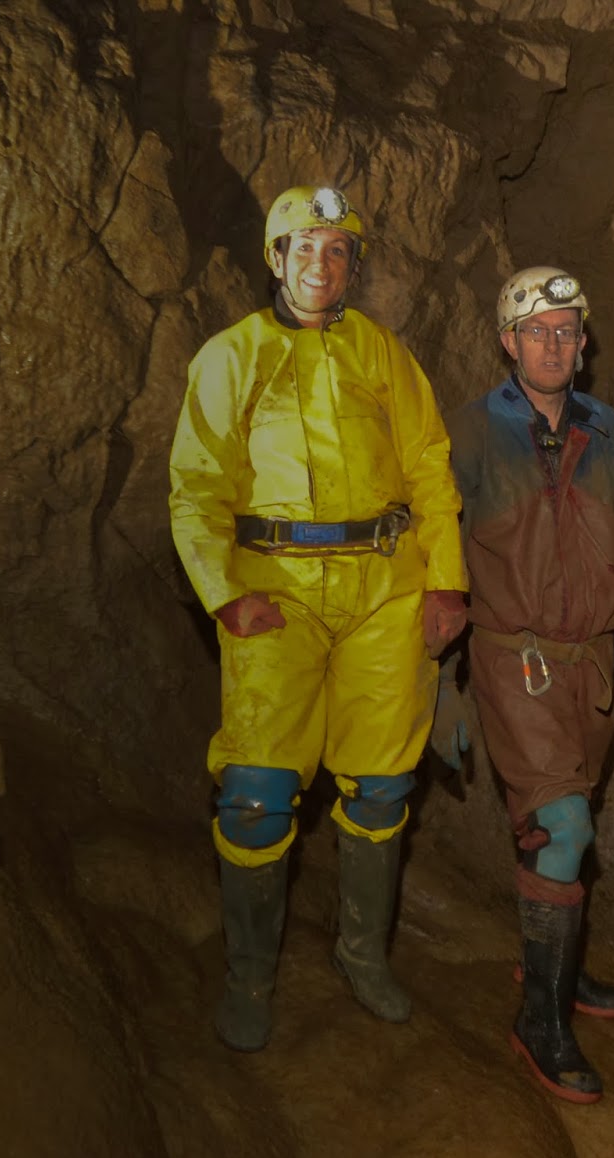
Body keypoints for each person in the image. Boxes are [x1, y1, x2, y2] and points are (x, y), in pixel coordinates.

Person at [169, 185, 467, 1052]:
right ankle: (250, 973)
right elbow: (196, 487)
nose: (321, 265)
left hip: (384, 588)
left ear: (352, 268)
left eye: (337, 251)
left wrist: (445, 584)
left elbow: (429, 468)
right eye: (304, 248)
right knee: (259, 797)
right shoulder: (232, 357)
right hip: (278, 590)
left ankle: (362, 957)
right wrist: (226, 593)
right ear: (276, 258)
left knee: (380, 788)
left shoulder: (383, 354)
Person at [437, 265, 614, 1105]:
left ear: (583, 342)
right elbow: (434, 556)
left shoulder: (607, 431)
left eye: (568, 331)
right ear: (508, 342)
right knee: (560, 828)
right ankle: (540, 1018)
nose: (554, 344)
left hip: (594, 665)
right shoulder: (468, 431)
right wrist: (441, 681)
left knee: (567, 828)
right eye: (538, 331)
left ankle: (554, 973)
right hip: (512, 656)